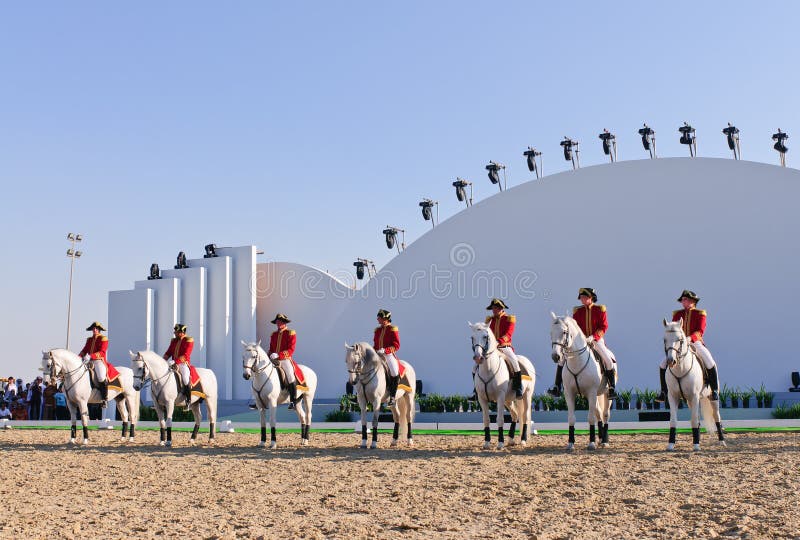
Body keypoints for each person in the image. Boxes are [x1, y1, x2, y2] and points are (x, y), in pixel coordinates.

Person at [549, 288, 618, 398]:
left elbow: (604, 326)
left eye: (584, 297)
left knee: (608, 360)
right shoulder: (578, 311)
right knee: (562, 360)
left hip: (596, 340)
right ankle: (557, 386)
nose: (582, 299)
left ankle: (611, 388)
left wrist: (593, 337)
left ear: (591, 298)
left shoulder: (600, 309)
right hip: (581, 341)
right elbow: (575, 328)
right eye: (581, 298)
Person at [657, 290, 720, 402]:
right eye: (683, 300)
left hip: (695, 342)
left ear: (693, 301)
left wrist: (690, 338)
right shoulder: (677, 314)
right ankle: (664, 391)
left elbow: (700, 331)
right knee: (662, 364)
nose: (683, 302)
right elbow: (673, 330)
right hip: (679, 345)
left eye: (686, 299)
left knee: (710, 361)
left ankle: (714, 390)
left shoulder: (700, 313)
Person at [483, 299, 523, 398]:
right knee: (476, 366)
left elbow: (508, 334)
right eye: (492, 308)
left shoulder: (509, 319)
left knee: (514, 362)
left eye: (495, 308)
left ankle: (518, 387)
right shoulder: (489, 321)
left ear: (501, 308)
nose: (493, 310)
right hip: (492, 349)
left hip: (504, 347)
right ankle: (476, 391)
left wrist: (498, 342)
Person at [268, 314, 299, 408]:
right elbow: (271, 349)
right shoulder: (273, 334)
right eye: (277, 322)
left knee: (290, 375)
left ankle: (293, 401)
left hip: (285, 359)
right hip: (273, 359)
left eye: (280, 321)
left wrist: (279, 354)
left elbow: (291, 349)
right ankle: (259, 399)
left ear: (284, 323)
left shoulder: (290, 333)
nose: (278, 323)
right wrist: (269, 354)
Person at [77, 322, 110, 407]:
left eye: (96, 328)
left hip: (98, 360)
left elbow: (102, 352)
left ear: (99, 330)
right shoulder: (89, 339)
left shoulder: (103, 338)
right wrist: (78, 358)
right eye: (93, 328)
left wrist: (91, 356)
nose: (94, 330)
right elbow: (84, 350)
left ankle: (104, 399)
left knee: (101, 377)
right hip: (88, 360)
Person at [374, 309, 401, 405]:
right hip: (377, 354)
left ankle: (392, 397)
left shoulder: (393, 329)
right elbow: (375, 344)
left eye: (380, 318)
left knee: (394, 371)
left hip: (388, 354)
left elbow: (396, 346)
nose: (377, 319)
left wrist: (385, 350)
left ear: (386, 319)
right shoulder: (377, 330)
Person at [163, 324, 194, 404]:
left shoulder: (188, 340)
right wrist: (162, 361)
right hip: (173, 364)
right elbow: (168, 352)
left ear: (182, 332)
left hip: (183, 363)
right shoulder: (174, 341)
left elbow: (186, 355)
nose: (174, 333)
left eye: (176, 332)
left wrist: (175, 361)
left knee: (185, 379)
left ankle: (188, 399)